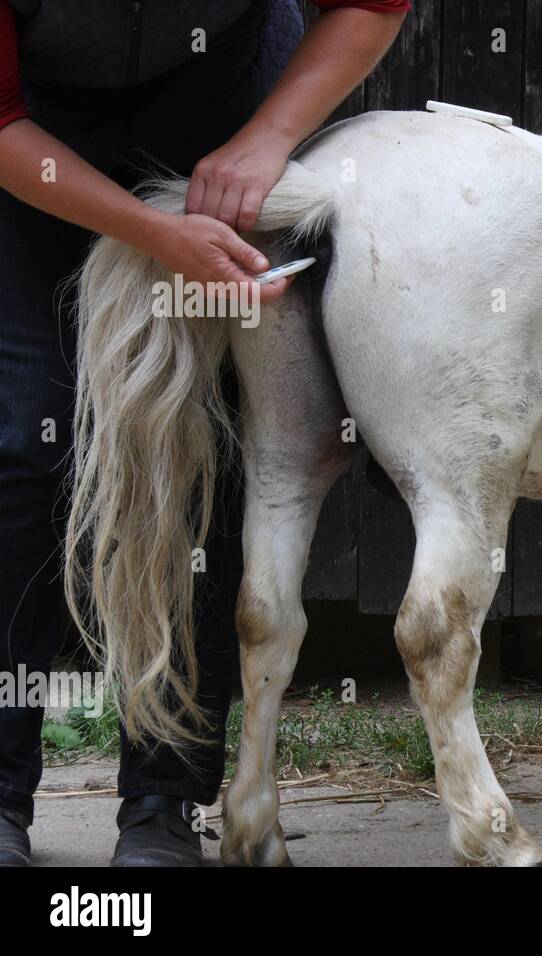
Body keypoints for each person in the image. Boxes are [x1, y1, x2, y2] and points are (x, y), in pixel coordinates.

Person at [0, 0, 409, 866]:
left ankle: (163, 803)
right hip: (33, 142)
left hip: (221, 124)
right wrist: (150, 233)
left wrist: (268, 137)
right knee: (27, 448)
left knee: (208, 446)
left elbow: (373, 4)